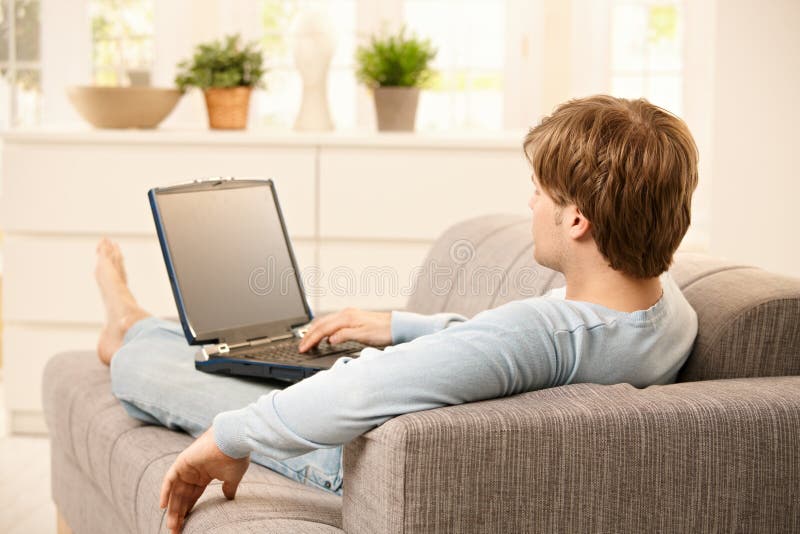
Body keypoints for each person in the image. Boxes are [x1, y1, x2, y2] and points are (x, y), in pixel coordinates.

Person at [94, 95, 699, 533]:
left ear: (576, 220)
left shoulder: (549, 335)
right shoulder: (665, 309)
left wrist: (228, 436)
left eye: (540, 188)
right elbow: (502, 349)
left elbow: (365, 388)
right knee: (235, 350)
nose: (531, 200)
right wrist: (398, 325)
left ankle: (128, 330)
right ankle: (144, 323)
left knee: (146, 366)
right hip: (406, 418)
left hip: (345, 451)